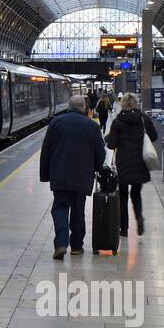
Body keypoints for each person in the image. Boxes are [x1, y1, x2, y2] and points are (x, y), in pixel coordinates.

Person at [40, 95, 106, 260]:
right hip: (82, 175)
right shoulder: (92, 126)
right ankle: (76, 246)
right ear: (84, 107)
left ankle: (61, 243)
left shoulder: (55, 123)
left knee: (60, 208)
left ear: (69, 106)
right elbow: (101, 152)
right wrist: (97, 168)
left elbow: (46, 149)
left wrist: (45, 174)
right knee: (78, 210)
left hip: (60, 174)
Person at [105, 93, 158, 237]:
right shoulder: (143, 118)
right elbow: (154, 136)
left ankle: (124, 228)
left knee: (122, 195)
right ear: (135, 103)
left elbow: (111, 145)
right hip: (139, 162)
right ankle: (139, 217)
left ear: (122, 104)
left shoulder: (118, 121)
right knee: (136, 194)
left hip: (123, 163)